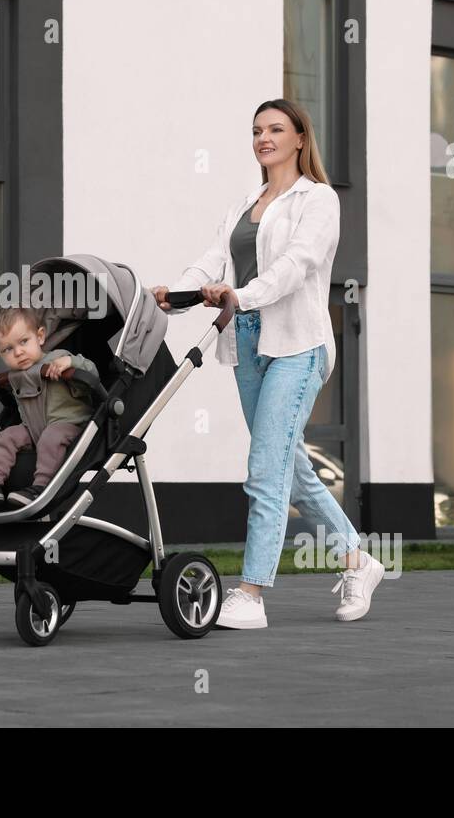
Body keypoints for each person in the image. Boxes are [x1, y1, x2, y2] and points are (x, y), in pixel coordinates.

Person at [150, 98, 384, 628]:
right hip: (248, 342)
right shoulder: (243, 205)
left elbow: (295, 266)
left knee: (264, 470)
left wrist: (240, 294)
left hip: (297, 344)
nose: (264, 137)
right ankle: (357, 559)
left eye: (276, 128)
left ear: (301, 138)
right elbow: (212, 260)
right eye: (257, 130)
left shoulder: (319, 200)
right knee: (287, 465)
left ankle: (251, 593)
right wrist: (177, 292)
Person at [0, 307, 100, 510]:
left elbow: (91, 371)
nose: (18, 352)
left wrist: (70, 362)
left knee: (52, 436)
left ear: (39, 336)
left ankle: (41, 486)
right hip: (34, 429)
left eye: (24, 341)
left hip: (72, 426)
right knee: (5, 437)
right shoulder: (16, 377)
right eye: (7, 349)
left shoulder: (57, 358)